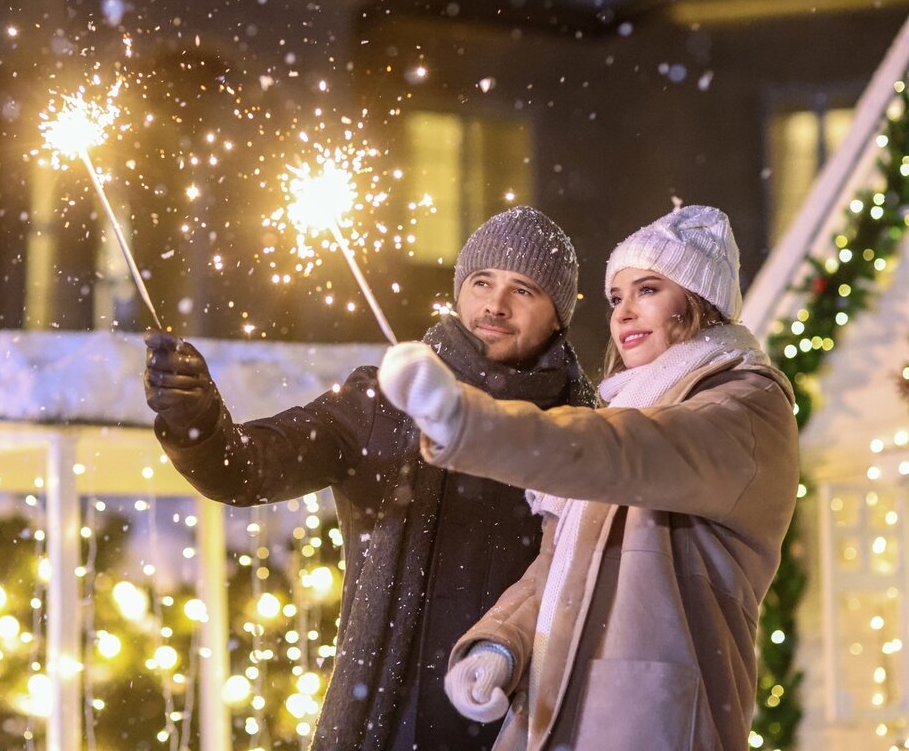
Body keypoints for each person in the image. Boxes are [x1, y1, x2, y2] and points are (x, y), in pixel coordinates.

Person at [143, 206, 597, 751]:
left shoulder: (590, 433)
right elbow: (246, 470)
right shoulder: (380, 401)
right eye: (482, 282)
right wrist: (194, 419)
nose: (495, 305)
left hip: (531, 720)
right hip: (386, 719)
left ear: (559, 316)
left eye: (523, 290)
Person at [377, 205, 799, 751]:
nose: (623, 313)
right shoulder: (627, 407)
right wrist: (502, 643)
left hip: (654, 726)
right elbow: (560, 567)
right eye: (616, 297)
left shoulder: (744, 407)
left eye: (647, 289)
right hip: (561, 711)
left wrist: (464, 419)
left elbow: (622, 451)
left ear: (700, 301)